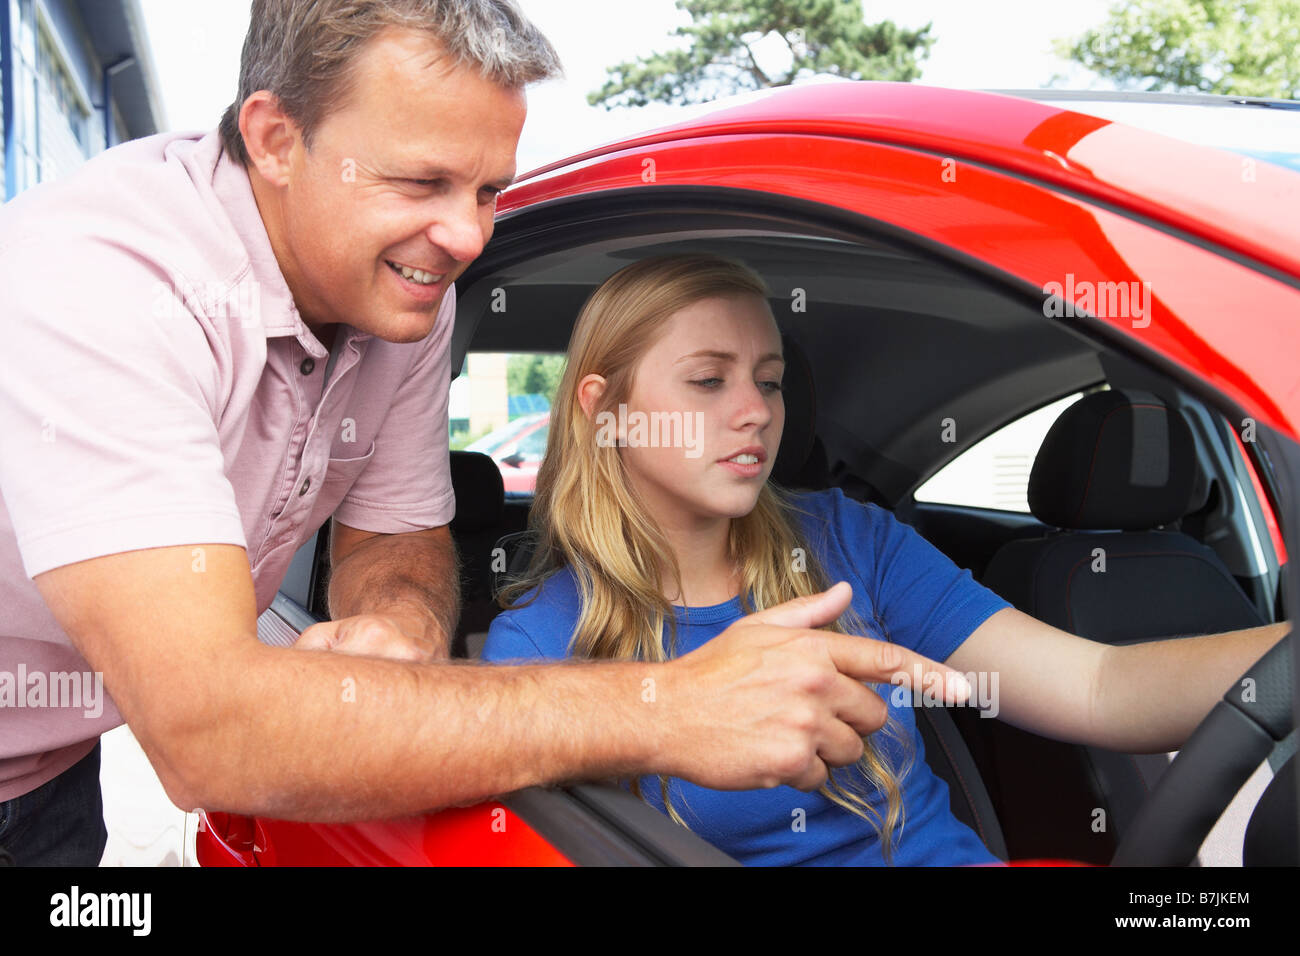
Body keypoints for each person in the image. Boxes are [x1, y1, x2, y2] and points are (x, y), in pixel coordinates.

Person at [0, 0, 971, 866]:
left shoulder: (398, 294)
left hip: (51, 767)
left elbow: (394, 538)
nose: (467, 238)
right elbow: (210, 733)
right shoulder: (101, 287)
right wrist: (672, 706)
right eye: (422, 180)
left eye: (487, 190)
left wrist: (400, 628)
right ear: (276, 138)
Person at [480, 253, 1292, 865]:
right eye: (708, 381)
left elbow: (1100, 687)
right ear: (606, 410)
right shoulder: (540, 644)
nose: (755, 411)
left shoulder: (848, 539)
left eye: (770, 381)